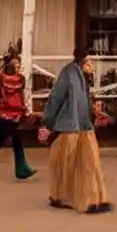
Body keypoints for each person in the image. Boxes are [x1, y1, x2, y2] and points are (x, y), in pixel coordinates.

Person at [41, 46, 112, 214]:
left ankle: (93, 198)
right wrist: (48, 121)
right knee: (67, 164)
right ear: (82, 59)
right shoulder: (68, 73)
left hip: (84, 125)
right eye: (89, 60)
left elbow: (86, 102)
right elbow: (56, 97)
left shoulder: (84, 77)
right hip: (69, 126)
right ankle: (61, 196)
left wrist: (96, 114)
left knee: (89, 163)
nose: (91, 64)